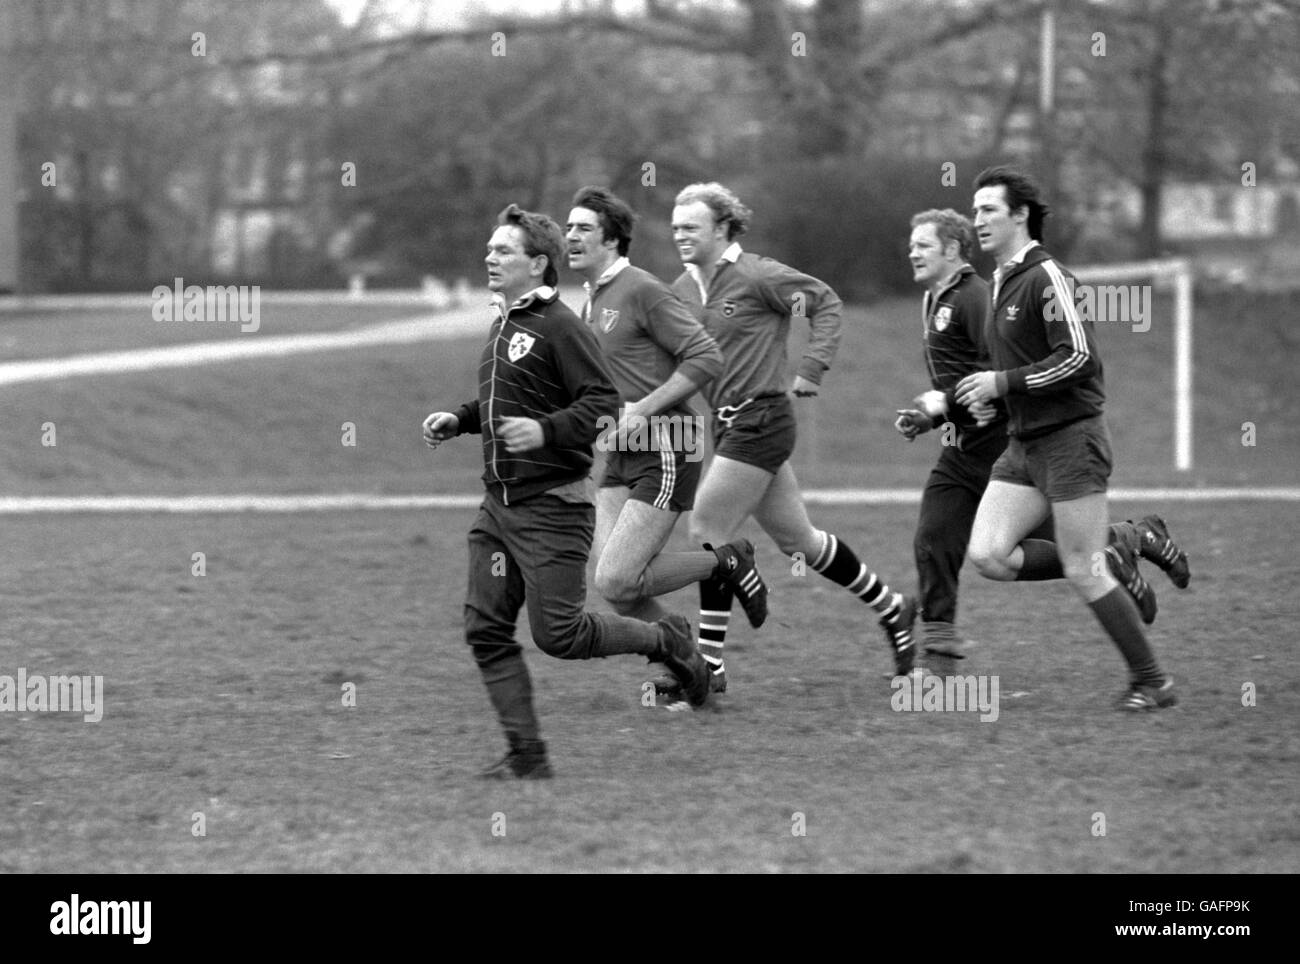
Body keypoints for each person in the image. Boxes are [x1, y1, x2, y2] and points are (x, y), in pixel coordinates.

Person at [422, 203, 711, 780]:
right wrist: (461, 418)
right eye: (490, 247)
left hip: (553, 507)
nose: (489, 256)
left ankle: (666, 640)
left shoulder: (561, 326)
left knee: (561, 635)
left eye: (503, 250)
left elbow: (600, 404)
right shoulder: (504, 321)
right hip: (498, 507)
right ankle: (528, 758)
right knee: (484, 629)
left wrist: (546, 432)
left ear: (538, 264)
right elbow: (511, 404)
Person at [899, 208, 1190, 663]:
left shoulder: (976, 297)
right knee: (936, 539)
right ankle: (939, 660)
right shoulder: (934, 300)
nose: (911, 252)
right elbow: (970, 378)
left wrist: (950, 401)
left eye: (922, 245)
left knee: (1071, 551)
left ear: (952, 250)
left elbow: (998, 365)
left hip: (1005, 443)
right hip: (962, 449)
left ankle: (1130, 543)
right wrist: (935, 414)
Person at [661, 181, 918, 694]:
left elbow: (826, 304)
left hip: (764, 418)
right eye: (675, 227)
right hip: (727, 427)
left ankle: (708, 669)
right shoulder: (679, 293)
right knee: (799, 541)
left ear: (722, 228)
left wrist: (813, 368)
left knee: (708, 527)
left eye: (691, 226)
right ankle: (894, 607)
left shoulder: (759, 276)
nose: (680, 235)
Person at [954, 167, 1185, 711]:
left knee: (1084, 570)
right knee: (989, 555)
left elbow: (1080, 359)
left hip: (1070, 441)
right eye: (975, 208)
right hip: (1023, 445)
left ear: (1020, 216)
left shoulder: (1048, 276)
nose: (977, 218)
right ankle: (1122, 541)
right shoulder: (1003, 282)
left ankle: (1152, 682)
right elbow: (1024, 367)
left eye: (989, 208)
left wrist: (1002, 382)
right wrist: (995, 396)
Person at [564, 187, 768, 654]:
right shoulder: (591, 301)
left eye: (582, 228)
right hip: (620, 453)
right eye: (568, 228)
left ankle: (725, 561)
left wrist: (642, 408)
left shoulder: (642, 290)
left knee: (618, 574)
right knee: (617, 589)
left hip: (667, 445)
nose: (570, 236)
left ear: (612, 240)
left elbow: (705, 356)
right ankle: (688, 665)